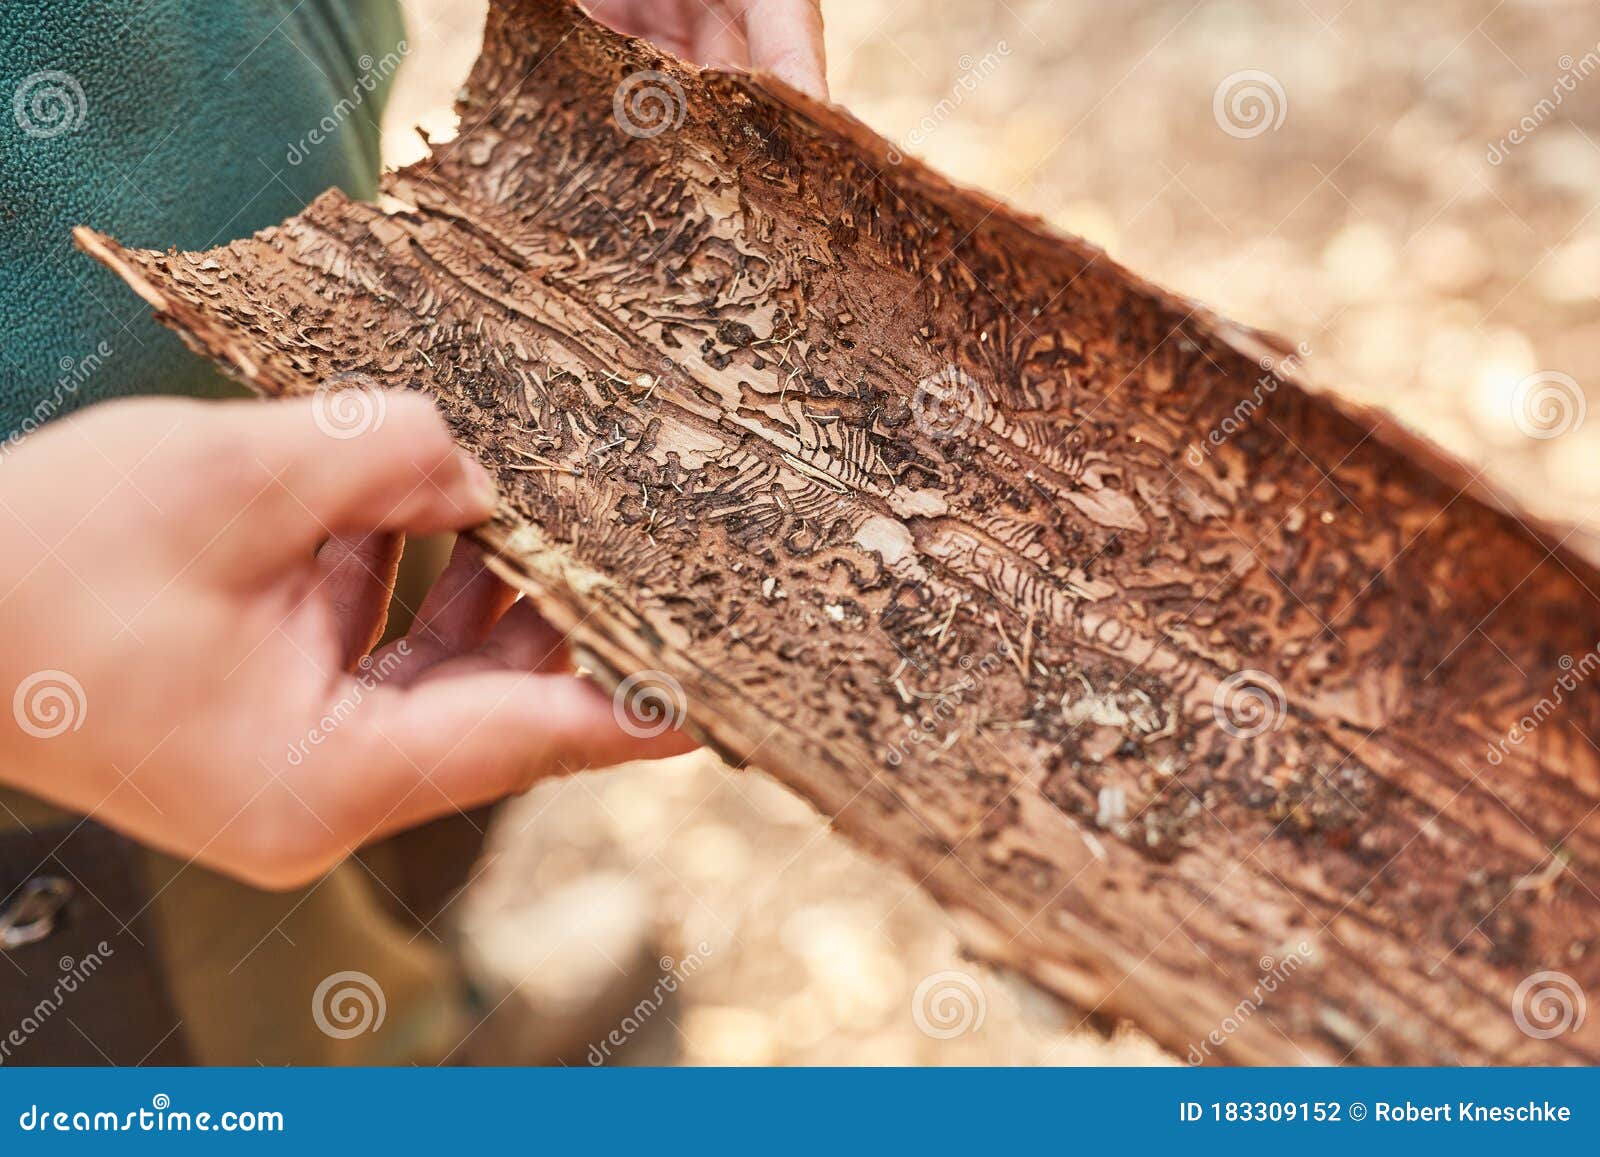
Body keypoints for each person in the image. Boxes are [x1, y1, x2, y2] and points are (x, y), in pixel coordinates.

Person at [0, 0, 825, 1065]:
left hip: (323, 370)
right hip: (82, 687)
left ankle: (445, 1003)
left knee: (420, 812)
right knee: (246, 1029)